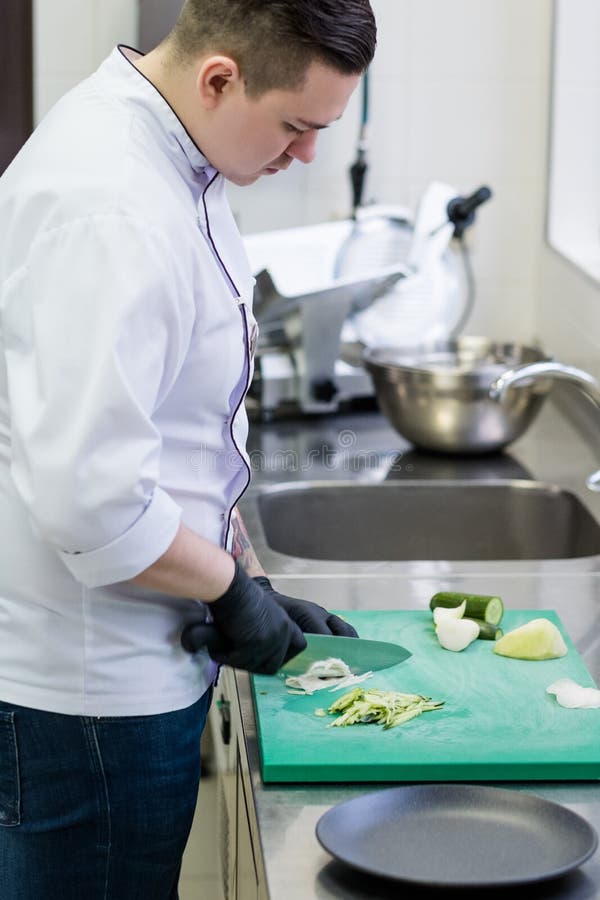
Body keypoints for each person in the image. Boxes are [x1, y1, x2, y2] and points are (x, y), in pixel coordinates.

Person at [0, 0, 377, 897]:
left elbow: (169, 425)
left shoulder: (170, 159)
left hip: (129, 664)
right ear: (219, 78)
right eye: (295, 126)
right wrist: (227, 588)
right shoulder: (113, 205)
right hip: (90, 699)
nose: (306, 154)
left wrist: (237, 565)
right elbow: (92, 502)